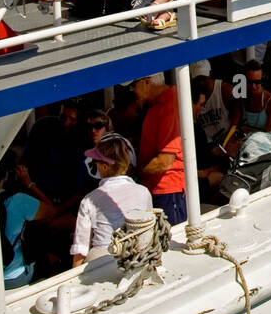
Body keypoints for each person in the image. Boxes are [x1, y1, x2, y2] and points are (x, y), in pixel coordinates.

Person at [70, 132, 153, 266]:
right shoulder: (143, 192)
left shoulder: (90, 200)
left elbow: (81, 248)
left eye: (96, 161)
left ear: (104, 166)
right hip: (138, 257)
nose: (95, 164)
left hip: (103, 260)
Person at [133, 74, 187, 224]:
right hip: (160, 190)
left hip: (168, 191)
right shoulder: (157, 104)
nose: (132, 90)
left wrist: (134, 172)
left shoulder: (170, 104)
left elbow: (165, 162)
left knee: (171, 240)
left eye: (134, 85)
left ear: (147, 81)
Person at [233, 60, 271, 135]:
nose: (253, 86)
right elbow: (234, 126)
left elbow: (269, 134)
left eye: (257, 82)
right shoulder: (241, 98)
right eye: (249, 82)